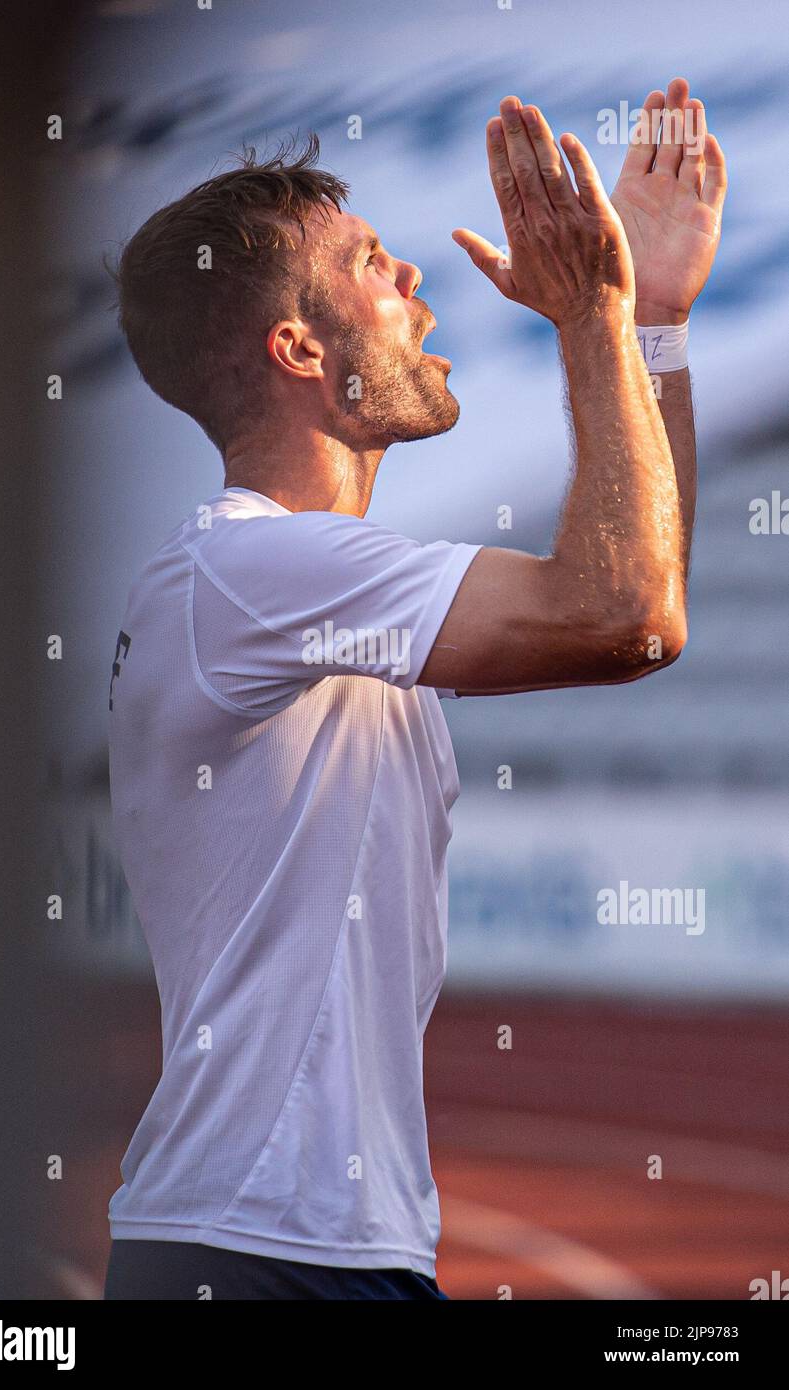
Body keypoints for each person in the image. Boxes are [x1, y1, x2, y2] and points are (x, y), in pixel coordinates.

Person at [103, 78, 726, 1299]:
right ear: (298, 349)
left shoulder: (307, 593)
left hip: (310, 1243)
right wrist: (593, 315)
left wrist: (649, 324)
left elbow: (647, 603)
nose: (417, 289)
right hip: (257, 1248)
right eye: (377, 267)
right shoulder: (243, 567)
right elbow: (620, 610)